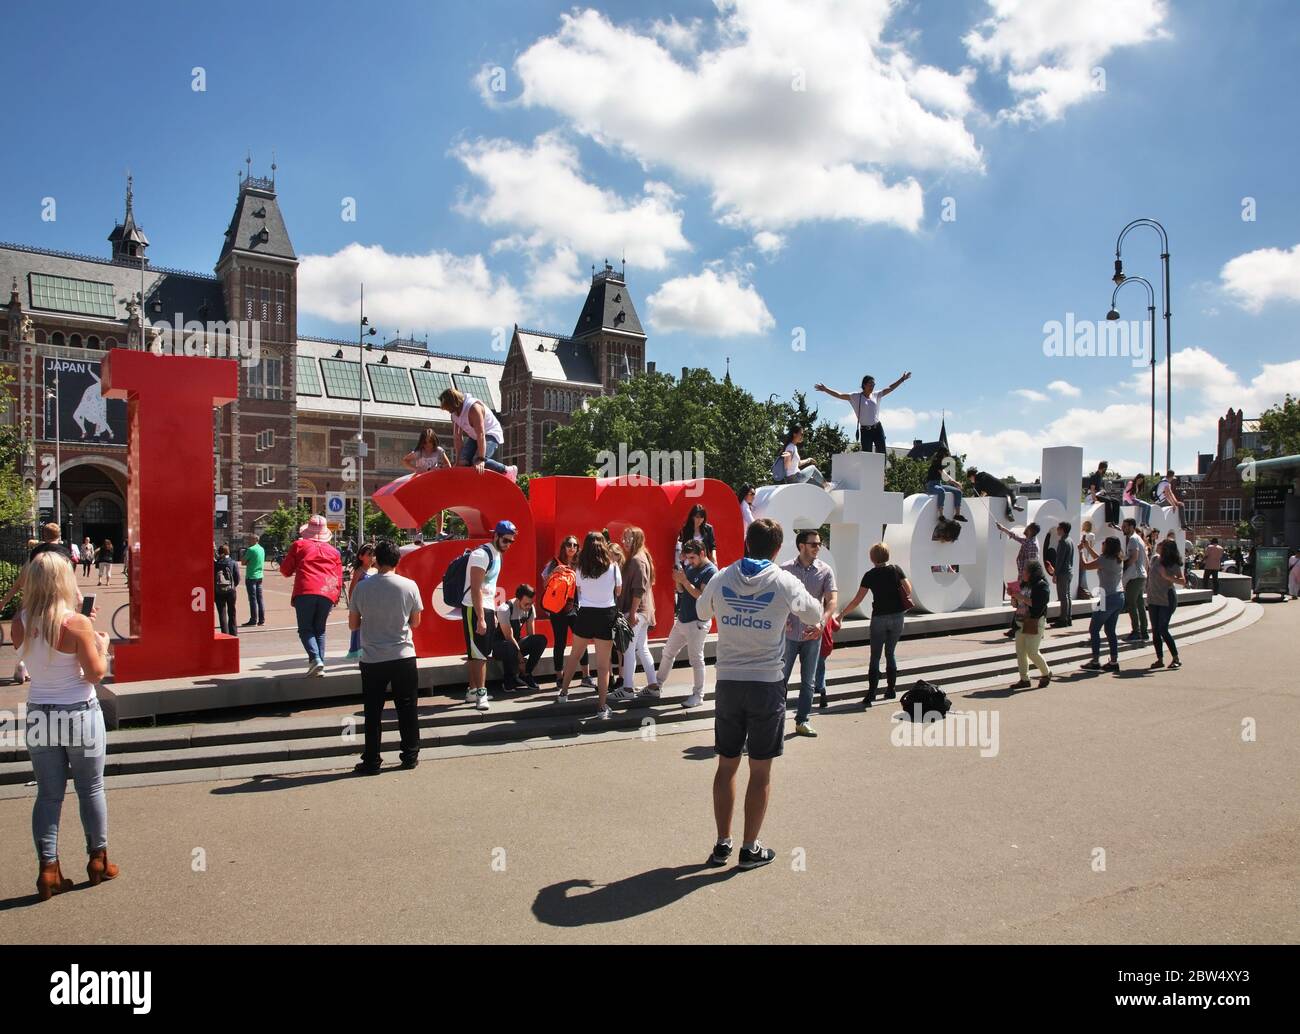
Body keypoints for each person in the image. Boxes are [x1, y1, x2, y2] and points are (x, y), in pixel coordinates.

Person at [695, 517, 822, 869]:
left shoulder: (722, 577)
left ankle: (722, 844)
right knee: (760, 770)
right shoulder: (784, 580)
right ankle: (750, 849)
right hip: (767, 683)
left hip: (730, 682)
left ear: (746, 542)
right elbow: (813, 614)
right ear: (778, 549)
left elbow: (700, 610)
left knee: (726, 765)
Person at [13, 553, 115, 900]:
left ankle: (48, 868)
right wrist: (101, 644)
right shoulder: (76, 624)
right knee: (91, 788)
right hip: (78, 713)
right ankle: (98, 860)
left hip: (40, 712)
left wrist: (84, 626)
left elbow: (44, 649)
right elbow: (95, 672)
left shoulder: (20, 620)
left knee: (48, 794)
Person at [348, 539, 424, 774]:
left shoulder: (363, 587)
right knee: (408, 707)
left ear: (376, 560)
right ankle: (409, 755)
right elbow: (416, 622)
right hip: (403, 655)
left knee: (373, 711)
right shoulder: (409, 585)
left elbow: (353, 625)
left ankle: (371, 760)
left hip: (372, 657)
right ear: (397, 560)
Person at [556, 531, 623, 719]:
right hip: (606, 614)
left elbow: (579, 590)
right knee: (603, 665)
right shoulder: (614, 567)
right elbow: (618, 591)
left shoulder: (580, 568)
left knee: (574, 655)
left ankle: (563, 693)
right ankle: (601, 707)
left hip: (585, 613)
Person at [836, 542, 911, 707]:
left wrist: (842, 614)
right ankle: (891, 690)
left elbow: (858, 599)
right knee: (890, 653)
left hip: (879, 618)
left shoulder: (870, 575)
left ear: (872, 558)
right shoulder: (896, 570)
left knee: (875, 656)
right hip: (897, 616)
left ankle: (871, 694)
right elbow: (908, 589)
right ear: (887, 555)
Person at [779, 529, 837, 737]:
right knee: (780, 680)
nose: (817, 547)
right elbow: (775, 598)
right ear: (801, 545)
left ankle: (802, 720)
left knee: (808, 681)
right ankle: (775, 721)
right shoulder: (784, 569)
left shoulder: (825, 570)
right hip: (788, 635)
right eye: (813, 544)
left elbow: (831, 600)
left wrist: (823, 622)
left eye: (819, 544)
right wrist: (782, 619)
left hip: (814, 634)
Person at [461, 520, 516, 712]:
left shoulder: (497, 554)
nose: (508, 544)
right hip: (473, 607)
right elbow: (475, 589)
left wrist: (489, 612)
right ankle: (481, 694)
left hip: (485, 606)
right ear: (496, 536)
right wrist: (481, 616)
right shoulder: (480, 555)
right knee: (480, 654)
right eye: (506, 540)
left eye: (511, 541)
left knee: (476, 652)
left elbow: (488, 589)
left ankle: (472, 690)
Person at [655, 540, 717, 708]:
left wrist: (684, 581)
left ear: (703, 553)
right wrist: (678, 580)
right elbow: (682, 591)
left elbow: (701, 596)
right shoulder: (690, 567)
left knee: (696, 659)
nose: (690, 561)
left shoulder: (710, 571)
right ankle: (657, 685)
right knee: (668, 651)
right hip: (683, 619)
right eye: (688, 557)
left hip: (697, 622)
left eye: (693, 557)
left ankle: (698, 695)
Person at [279, 515, 344, 677]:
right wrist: (335, 598)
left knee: (306, 629)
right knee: (320, 630)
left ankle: (316, 659)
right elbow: (339, 577)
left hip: (306, 591)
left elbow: (285, 570)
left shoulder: (299, 545)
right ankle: (319, 665)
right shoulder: (334, 551)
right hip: (327, 593)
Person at [540, 537, 594, 690]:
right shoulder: (553, 563)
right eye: (569, 544)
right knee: (560, 643)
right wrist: (553, 573)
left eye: (574, 545)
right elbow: (545, 585)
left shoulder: (581, 565)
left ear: (578, 548)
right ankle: (559, 677)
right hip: (557, 610)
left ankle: (586, 676)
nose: (571, 547)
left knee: (582, 641)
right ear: (563, 546)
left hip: (576, 608)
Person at [814, 372, 911, 454]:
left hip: (877, 428)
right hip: (865, 431)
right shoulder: (855, 397)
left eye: (873, 385)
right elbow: (839, 395)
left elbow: (890, 388)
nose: (872, 387)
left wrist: (902, 379)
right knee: (867, 455)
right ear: (864, 385)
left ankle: (882, 475)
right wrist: (826, 389)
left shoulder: (876, 395)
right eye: (870, 384)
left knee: (882, 453)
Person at [614, 525, 660, 701]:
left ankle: (627, 688)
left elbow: (638, 589)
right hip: (643, 612)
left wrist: (632, 613)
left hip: (637, 612)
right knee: (641, 648)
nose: (624, 541)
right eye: (624, 538)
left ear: (637, 540)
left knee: (629, 649)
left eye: (628, 538)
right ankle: (653, 685)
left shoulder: (636, 560)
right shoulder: (641, 557)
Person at [438, 386, 517, 481]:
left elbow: (481, 434)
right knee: (463, 464)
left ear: (454, 403)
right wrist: (459, 461)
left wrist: (481, 459)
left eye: (448, 408)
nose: (449, 411)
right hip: (475, 437)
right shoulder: (454, 415)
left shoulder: (473, 408)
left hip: (490, 434)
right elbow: (457, 438)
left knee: (477, 461)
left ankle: (508, 470)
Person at [1079, 535, 1126, 672]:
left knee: (1094, 629)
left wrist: (1081, 551)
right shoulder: (1118, 559)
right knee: (1110, 630)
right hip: (1119, 596)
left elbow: (1086, 566)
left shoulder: (1105, 560)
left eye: (1104, 542)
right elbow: (1099, 558)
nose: (1102, 543)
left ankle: (1095, 660)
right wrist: (1088, 547)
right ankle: (1113, 661)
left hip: (1108, 598)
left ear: (1108, 546)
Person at [494, 584, 547, 693]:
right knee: (509, 646)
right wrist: (521, 659)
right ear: (518, 599)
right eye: (526, 604)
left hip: (515, 643)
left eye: (531, 603)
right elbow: (509, 637)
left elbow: (531, 635)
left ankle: (526, 674)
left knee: (540, 640)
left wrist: (527, 658)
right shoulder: (504, 609)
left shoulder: (530, 609)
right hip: (500, 645)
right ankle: (509, 679)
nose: (529, 606)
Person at [403, 428, 454, 538]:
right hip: (421, 482)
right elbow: (405, 460)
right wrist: (415, 469)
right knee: (420, 506)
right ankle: (418, 532)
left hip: (434, 482)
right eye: (425, 442)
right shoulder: (418, 452)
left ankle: (439, 532)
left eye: (430, 442)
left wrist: (439, 468)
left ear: (433, 441)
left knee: (439, 506)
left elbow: (448, 465)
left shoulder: (439, 451)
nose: (428, 445)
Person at [1009, 560, 1052, 690]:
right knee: (1020, 651)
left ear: (1033, 572)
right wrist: (1013, 597)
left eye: (1026, 571)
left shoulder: (1042, 585)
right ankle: (1024, 679)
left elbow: (1037, 604)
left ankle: (1046, 673)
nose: (1023, 573)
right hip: (1020, 620)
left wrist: (1019, 596)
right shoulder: (1023, 584)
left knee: (1032, 651)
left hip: (1034, 621)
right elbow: (1016, 605)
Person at [995, 520, 1040, 638]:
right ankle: (1017, 628)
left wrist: (1025, 580)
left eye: (1028, 528)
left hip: (1026, 579)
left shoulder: (1031, 544)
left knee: (1022, 603)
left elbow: (1030, 565)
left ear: (1031, 530)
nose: (1025, 529)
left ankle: (1019, 629)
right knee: (1021, 603)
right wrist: (1003, 529)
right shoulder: (1030, 542)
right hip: (1024, 578)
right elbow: (1016, 537)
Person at [1147, 539, 1186, 669]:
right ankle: (1160, 659)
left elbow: (1182, 581)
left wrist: (1168, 577)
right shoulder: (1154, 559)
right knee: (1155, 630)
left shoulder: (1173, 564)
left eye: (1161, 544)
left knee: (1162, 629)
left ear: (1166, 549)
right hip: (1153, 599)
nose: (1158, 545)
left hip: (1166, 599)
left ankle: (1176, 658)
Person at [344, 544, 377, 660]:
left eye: (373, 555)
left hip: (374, 606)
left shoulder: (376, 570)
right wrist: (352, 606)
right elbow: (352, 589)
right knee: (359, 629)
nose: (372, 557)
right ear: (361, 557)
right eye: (369, 555)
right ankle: (359, 652)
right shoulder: (359, 571)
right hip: (361, 605)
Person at [1121, 517, 1150, 642]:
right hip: (1141, 575)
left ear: (1132, 527)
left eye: (1125, 526)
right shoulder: (1140, 539)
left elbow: (1134, 557)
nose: (1123, 528)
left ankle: (1136, 631)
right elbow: (1146, 560)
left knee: (1131, 604)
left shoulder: (1133, 539)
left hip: (1135, 576)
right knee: (1139, 604)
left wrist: (1125, 566)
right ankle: (1144, 631)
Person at [924, 447, 967, 524]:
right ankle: (941, 515)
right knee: (941, 491)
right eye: (946, 455)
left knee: (958, 492)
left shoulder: (940, 464)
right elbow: (945, 477)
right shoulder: (936, 462)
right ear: (943, 455)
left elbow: (946, 475)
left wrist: (956, 483)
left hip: (938, 484)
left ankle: (957, 514)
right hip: (931, 485)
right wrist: (956, 483)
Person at [1049, 522, 1075, 628]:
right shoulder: (1070, 540)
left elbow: (1059, 559)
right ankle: (1067, 618)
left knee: (1063, 596)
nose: (1057, 530)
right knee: (1067, 596)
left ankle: (1063, 619)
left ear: (1063, 529)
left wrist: (1055, 574)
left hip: (1063, 573)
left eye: (1059, 528)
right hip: (1068, 571)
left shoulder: (1063, 542)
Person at [213, 544, 240, 636]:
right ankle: (234, 632)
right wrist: (232, 586)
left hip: (218, 592)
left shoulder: (216, 564)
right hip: (231, 591)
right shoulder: (233, 563)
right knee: (232, 612)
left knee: (222, 613)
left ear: (220, 553)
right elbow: (237, 578)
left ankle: (225, 633)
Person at [1087, 461, 1121, 528]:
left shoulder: (1100, 476)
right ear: (1103, 468)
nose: (1105, 470)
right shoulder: (1094, 476)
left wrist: (1102, 490)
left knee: (1116, 501)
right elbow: (1092, 489)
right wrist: (1094, 499)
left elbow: (1098, 487)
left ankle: (1115, 522)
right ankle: (1110, 521)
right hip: (1093, 495)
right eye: (1105, 469)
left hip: (1099, 493)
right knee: (1108, 500)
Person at [241, 534, 266, 627]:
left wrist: (246, 559)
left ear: (256, 540)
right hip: (260, 576)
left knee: (252, 599)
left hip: (251, 576)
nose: (249, 541)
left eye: (250, 539)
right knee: (260, 599)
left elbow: (243, 562)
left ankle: (253, 620)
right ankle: (262, 620)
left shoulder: (251, 550)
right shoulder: (262, 549)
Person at [1076, 520, 1097, 599]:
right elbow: (1091, 546)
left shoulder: (1081, 534)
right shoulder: (1091, 535)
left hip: (1080, 553)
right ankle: (1084, 591)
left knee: (1081, 573)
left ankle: (1083, 590)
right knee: (1083, 573)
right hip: (1086, 555)